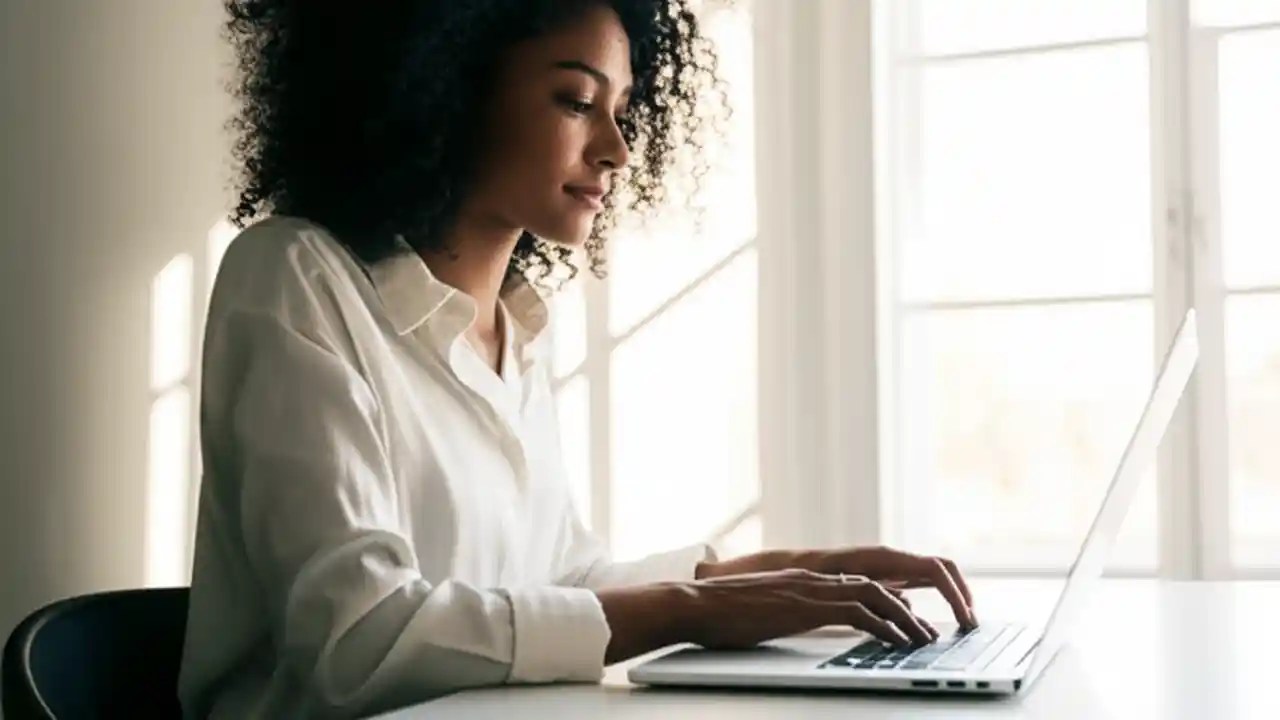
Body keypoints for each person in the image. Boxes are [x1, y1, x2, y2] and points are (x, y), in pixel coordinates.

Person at [177, 1, 979, 718]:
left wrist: (795, 576)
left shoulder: (517, 332)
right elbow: (356, 639)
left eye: (624, 110)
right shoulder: (292, 278)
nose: (618, 150)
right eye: (576, 101)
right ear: (450, 86)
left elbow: (559, 583)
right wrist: (685, 612)